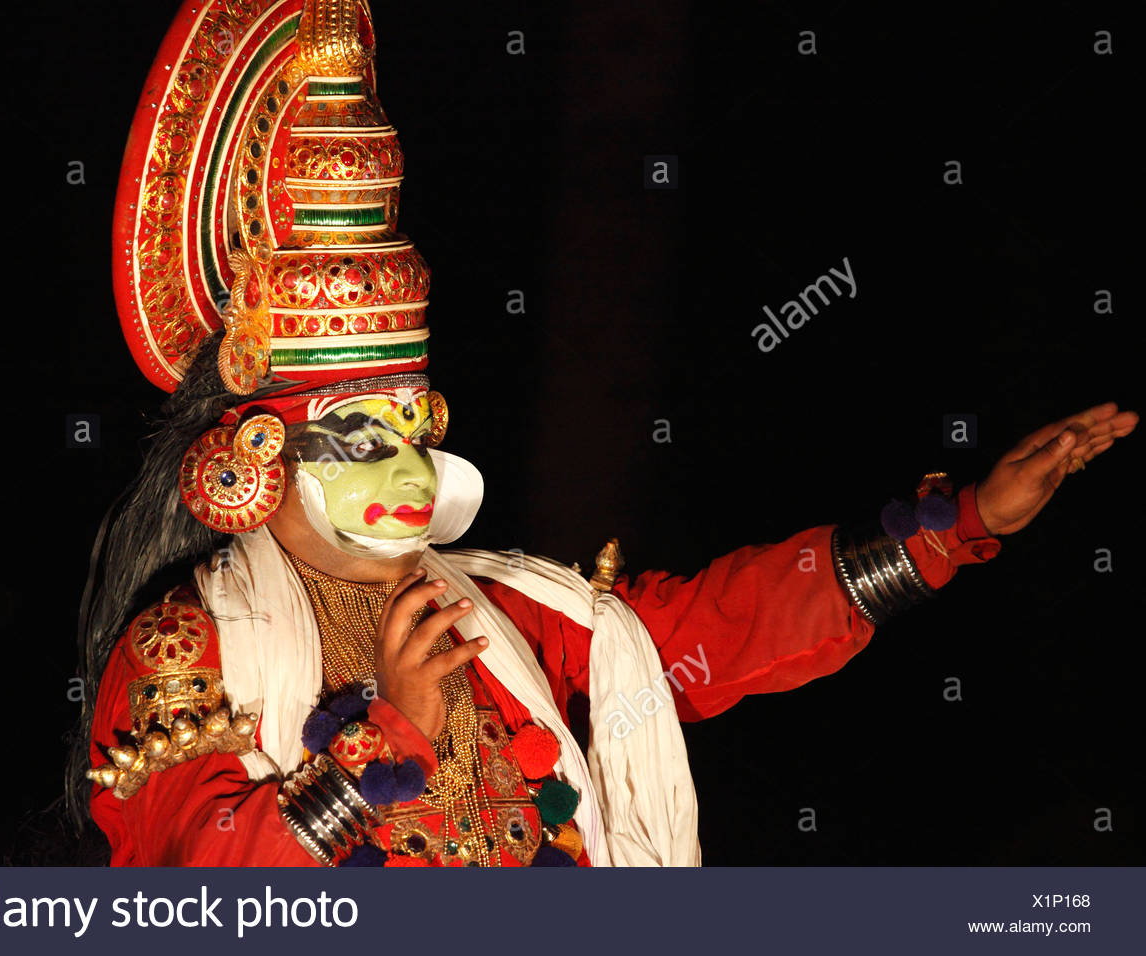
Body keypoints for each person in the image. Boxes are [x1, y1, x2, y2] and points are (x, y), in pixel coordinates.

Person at [70, 0, 1137, 867]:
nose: (407, 467)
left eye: (414, 426)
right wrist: (387, 729)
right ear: (254, 453)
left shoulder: (504, 615)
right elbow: (198, 888)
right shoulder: (183, 649)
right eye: (360, 436)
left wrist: (950, 529)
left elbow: (713, 635)